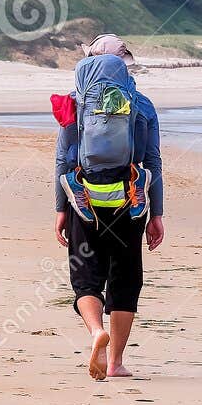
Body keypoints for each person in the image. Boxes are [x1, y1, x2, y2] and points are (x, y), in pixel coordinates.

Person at [54, 34, 166, 380]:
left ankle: (94, 332)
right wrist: (157, 214)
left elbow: (62, 160)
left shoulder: (76, 103)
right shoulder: (142, 105)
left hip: (84, 198)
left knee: (86, 277)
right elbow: (153, 160)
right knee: (125, 279)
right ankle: (116, 363)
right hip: (130, 200)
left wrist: (61, 208)